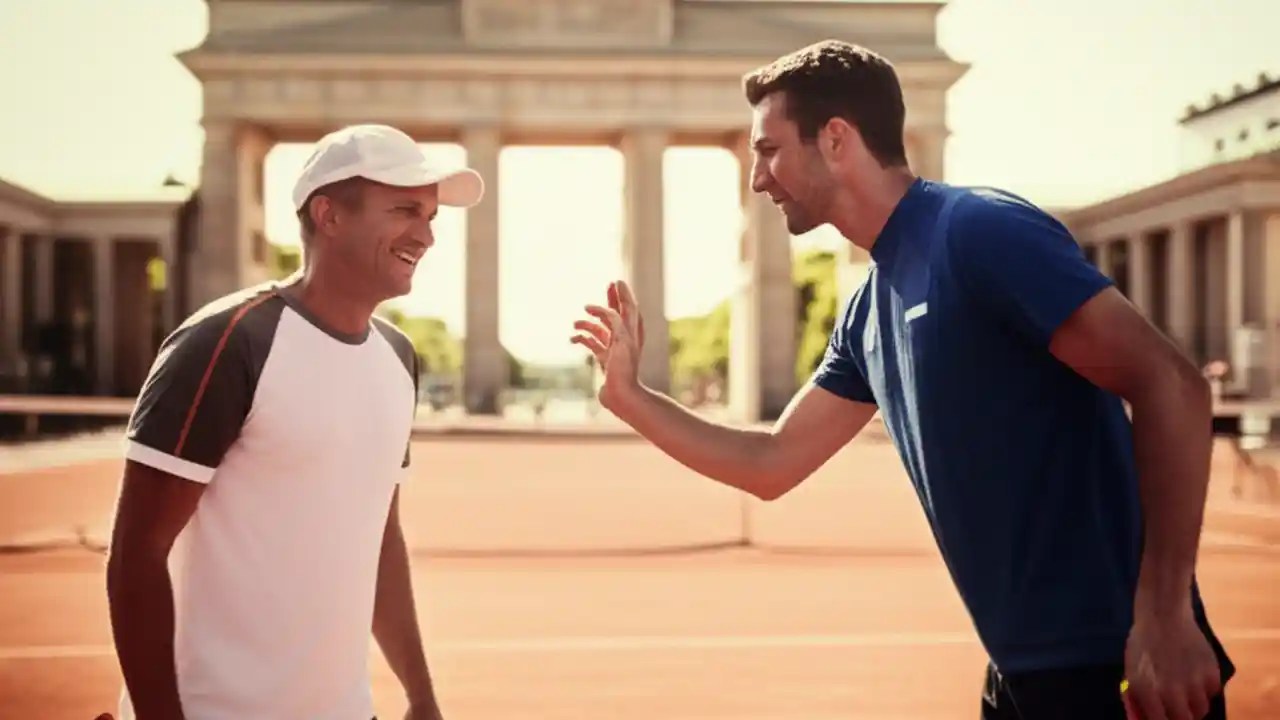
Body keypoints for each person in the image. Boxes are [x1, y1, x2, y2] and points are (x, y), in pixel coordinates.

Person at [570, 40, 1234, 720]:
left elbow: (1172, 383)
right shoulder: (867, 308)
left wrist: (1164, 616)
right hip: (1018, 673)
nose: (757, 179)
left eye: (768, 151)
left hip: (1118, 666)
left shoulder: (978, 232)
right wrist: (630, 397)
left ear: (835, 140)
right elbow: (771, 462)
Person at [105, 123, 483, 719]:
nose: (426, 234)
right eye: (405, 209)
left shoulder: (398, 356)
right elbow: (137, 551)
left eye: (432, 214)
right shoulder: (226, 342)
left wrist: (420, 695)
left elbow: (379, 538)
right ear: (329, 215)